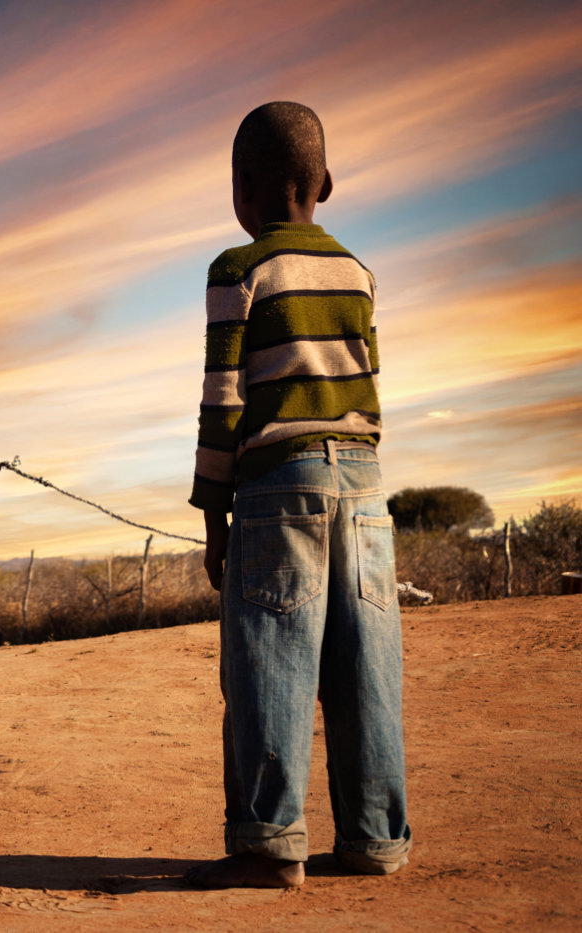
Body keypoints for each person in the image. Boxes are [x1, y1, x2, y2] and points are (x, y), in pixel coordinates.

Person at [185, 102, 411, 888]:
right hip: (366, 484)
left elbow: (223, 403)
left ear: (242, 191)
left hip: (281, 487)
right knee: (366, 668)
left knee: (270, 665)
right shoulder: (359, 273)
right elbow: (368, 386)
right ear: (326, 183)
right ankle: (373, 839)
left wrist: (214, 512)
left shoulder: (238, 270)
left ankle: (269, 843)